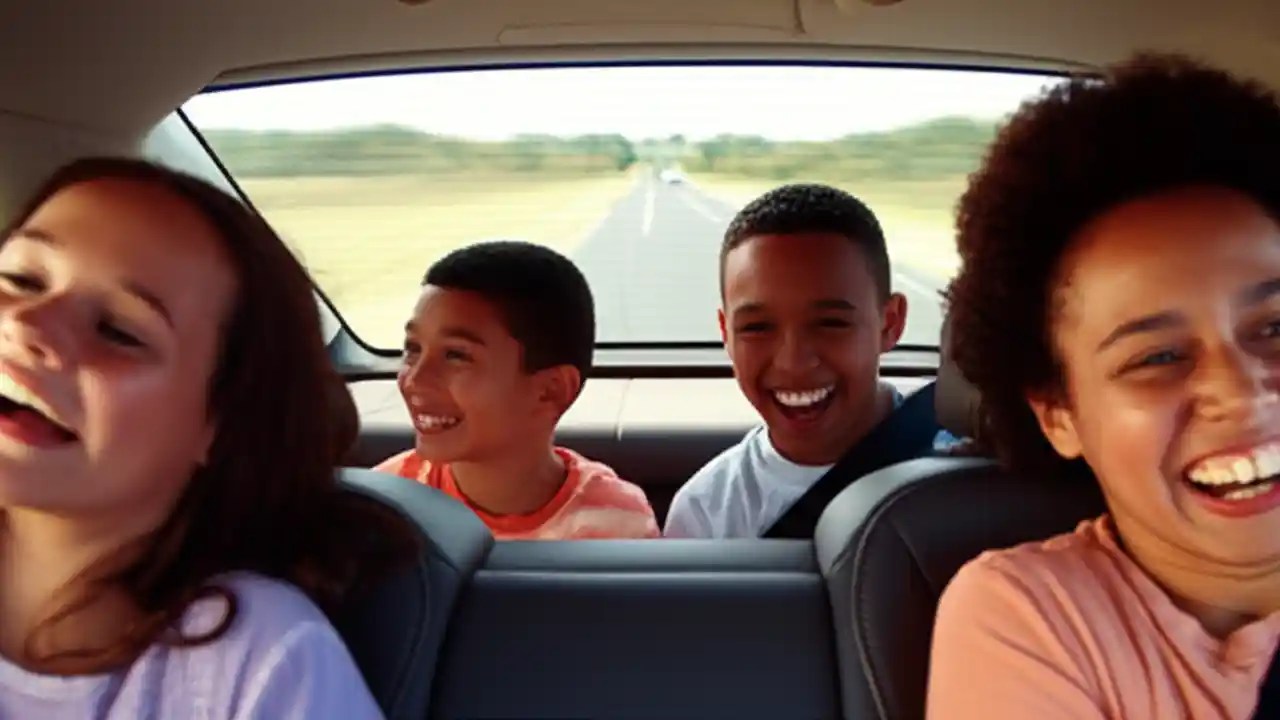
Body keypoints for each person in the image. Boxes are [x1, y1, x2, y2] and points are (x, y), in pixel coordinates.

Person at [0, 157, 419, 718]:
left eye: (119, 331)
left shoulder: (256, 660)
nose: (26, 323)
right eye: (21, 279)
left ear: (220, 424)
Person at [928, 54, 1280, 718]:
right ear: (1059, 414)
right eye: (1159, 356)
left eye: (1275, 325)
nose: (1242, 391)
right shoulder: (1036, 619)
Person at [665, 183, 948, 539]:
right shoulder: (707, 512)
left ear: (889, 323)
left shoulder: (955, 473)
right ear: (726, 333)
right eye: (756, 327)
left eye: (831, 323)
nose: (793, 362)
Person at [374, 241, 659, 540]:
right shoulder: (382, 510)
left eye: (456, 355)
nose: (415, 380)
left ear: (549, 391)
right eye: (413, 348)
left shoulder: (618, 522)